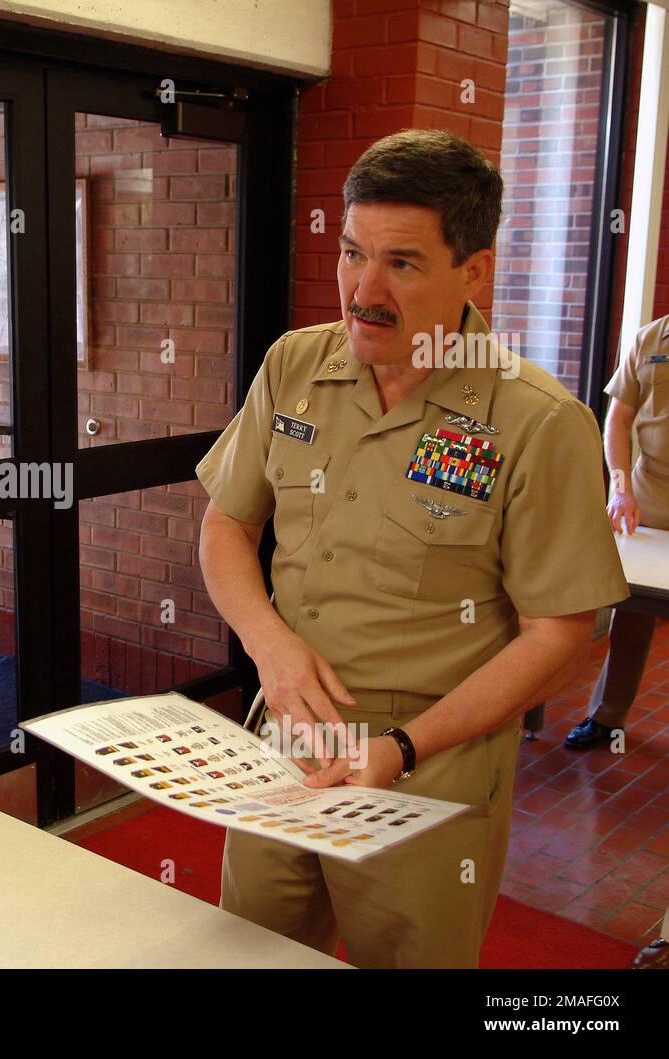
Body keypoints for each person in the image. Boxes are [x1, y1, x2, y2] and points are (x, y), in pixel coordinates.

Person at [196, 129, 628, 968]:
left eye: (402, 262)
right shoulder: (295, 363)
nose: (363, 288)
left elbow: (559, 630)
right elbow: (226, 525)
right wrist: (269, 645)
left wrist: (401, 749)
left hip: (429, 768)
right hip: (288, 740)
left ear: (473, 271)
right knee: (246, 952)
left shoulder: (536, 421)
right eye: (352, 252)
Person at [564, 316, 668, 750]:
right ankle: (607, 718)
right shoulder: (650, 339)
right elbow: (618, 420)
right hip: (649, 498)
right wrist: (620, 490)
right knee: (632, 614)